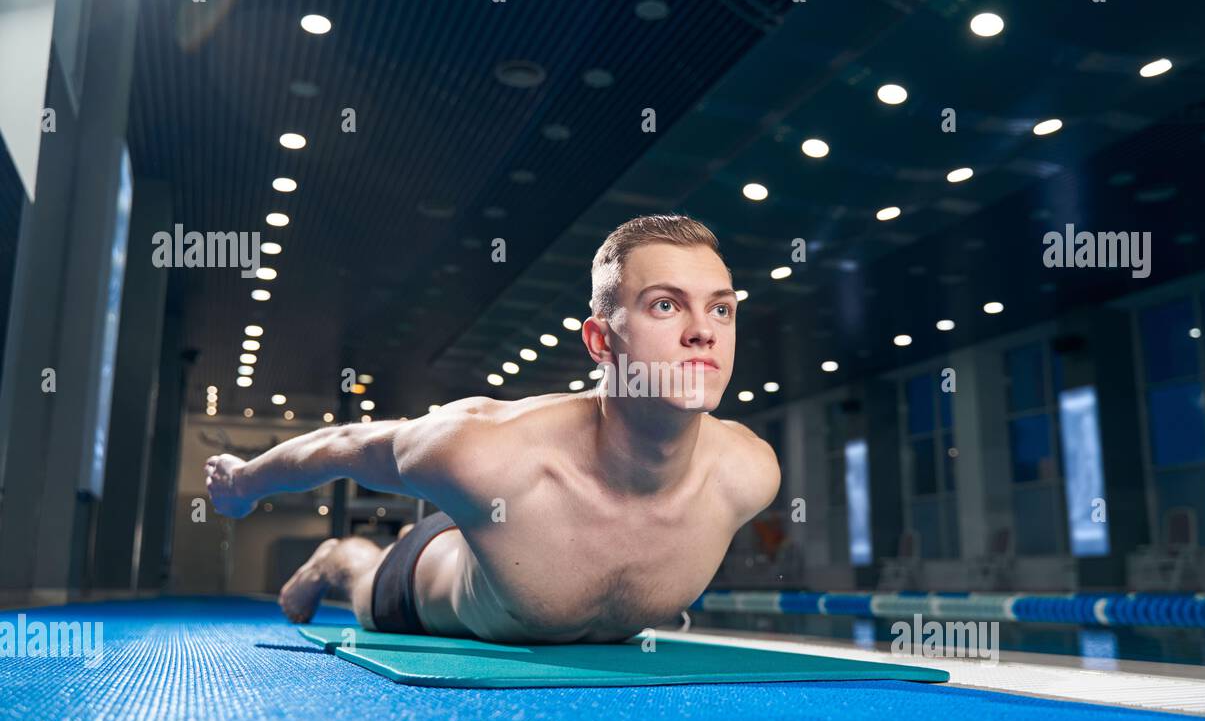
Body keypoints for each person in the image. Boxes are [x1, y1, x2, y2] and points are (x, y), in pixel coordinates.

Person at [205, 214, 781, 644]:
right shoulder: (484, 450)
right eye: (665, 305)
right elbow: (344, 446)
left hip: (513, 534)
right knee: (366, 583)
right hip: (428, 581)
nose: (703, 331)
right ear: (602, 341)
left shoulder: (748, 475)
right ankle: (338, 555)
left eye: (721, 308)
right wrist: (242, 484)